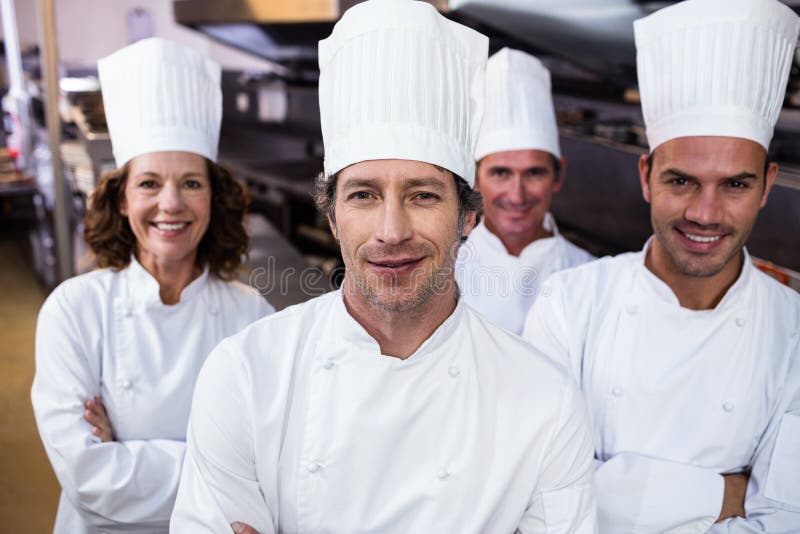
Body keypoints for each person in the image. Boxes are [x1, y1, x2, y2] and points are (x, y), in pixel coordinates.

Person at [170, 1, 596, 532]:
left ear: (467, 217)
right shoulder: (244, 375)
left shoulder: (545, 404)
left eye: (422, 196)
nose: (391, 231)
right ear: (330, 216)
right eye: (364, 195)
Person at [522, 0, 800, 531]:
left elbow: (785, 521)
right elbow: (539, 495)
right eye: (681, 181)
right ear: (647, 175)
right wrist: (725, 492)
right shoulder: (571, 303)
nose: (704, 213)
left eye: (735, 185)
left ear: (767, 185)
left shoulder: (795, 333)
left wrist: (605, 483)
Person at [31, 38, 274, 533]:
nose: (171, 204)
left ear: (213, 198)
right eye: (148, 183)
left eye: (191, 182)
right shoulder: (73, 311)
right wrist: (222, 470)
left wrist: (127, 452)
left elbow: (275, 467)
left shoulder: (252, 317)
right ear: (121, 200)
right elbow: (88, 479)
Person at [456, 48, 593, 335]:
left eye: (534, 173)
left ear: (559, 175)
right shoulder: (443, 275)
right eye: (501, 173)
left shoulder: (591, 276)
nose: (517, 195)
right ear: (476, 178)